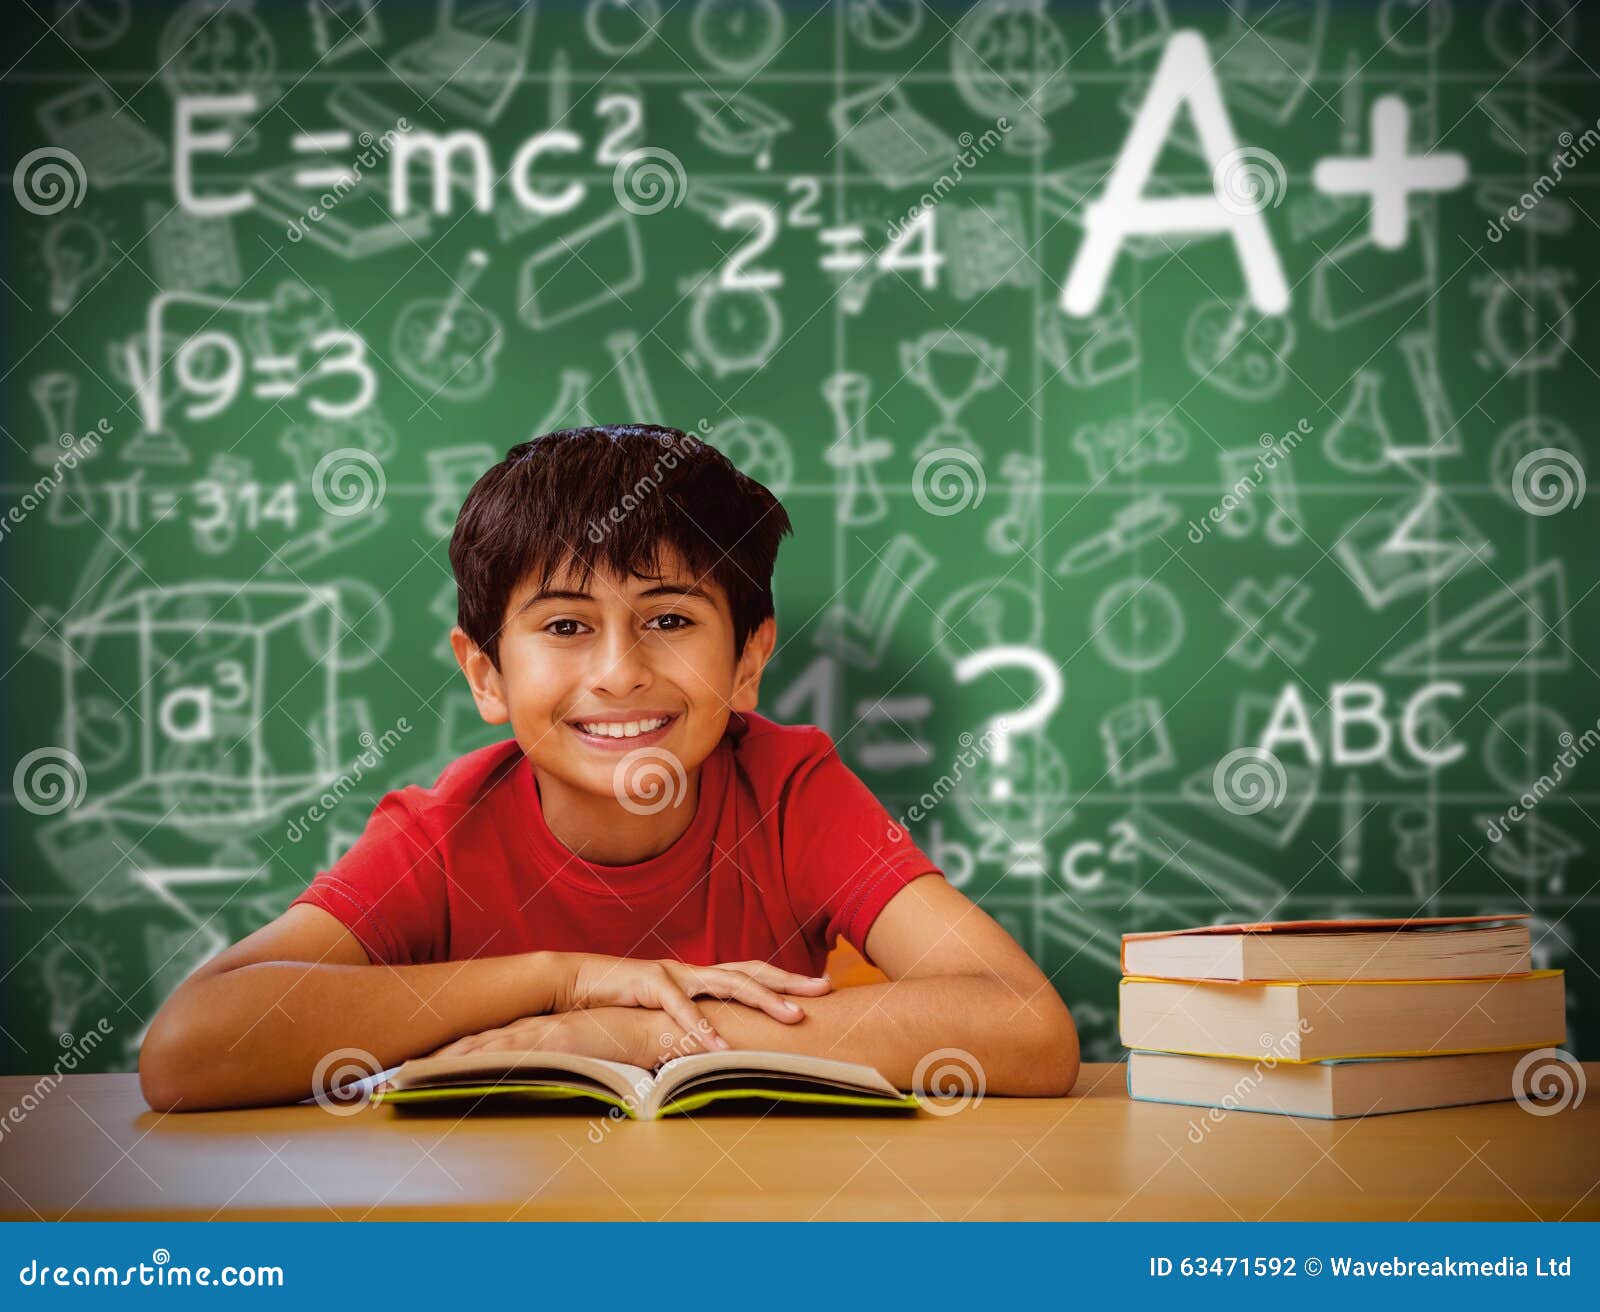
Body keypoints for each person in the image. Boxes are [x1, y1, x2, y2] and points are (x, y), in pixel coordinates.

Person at [139, 425, 1077, 1111]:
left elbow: (1026, 1028)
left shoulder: (789, 790)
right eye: (564, 625)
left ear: (747, 661)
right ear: (486, 674)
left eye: (669, 619)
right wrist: (564, 982)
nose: (621, 672)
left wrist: (643, 1033)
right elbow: (188, 1050)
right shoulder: (444, 833)